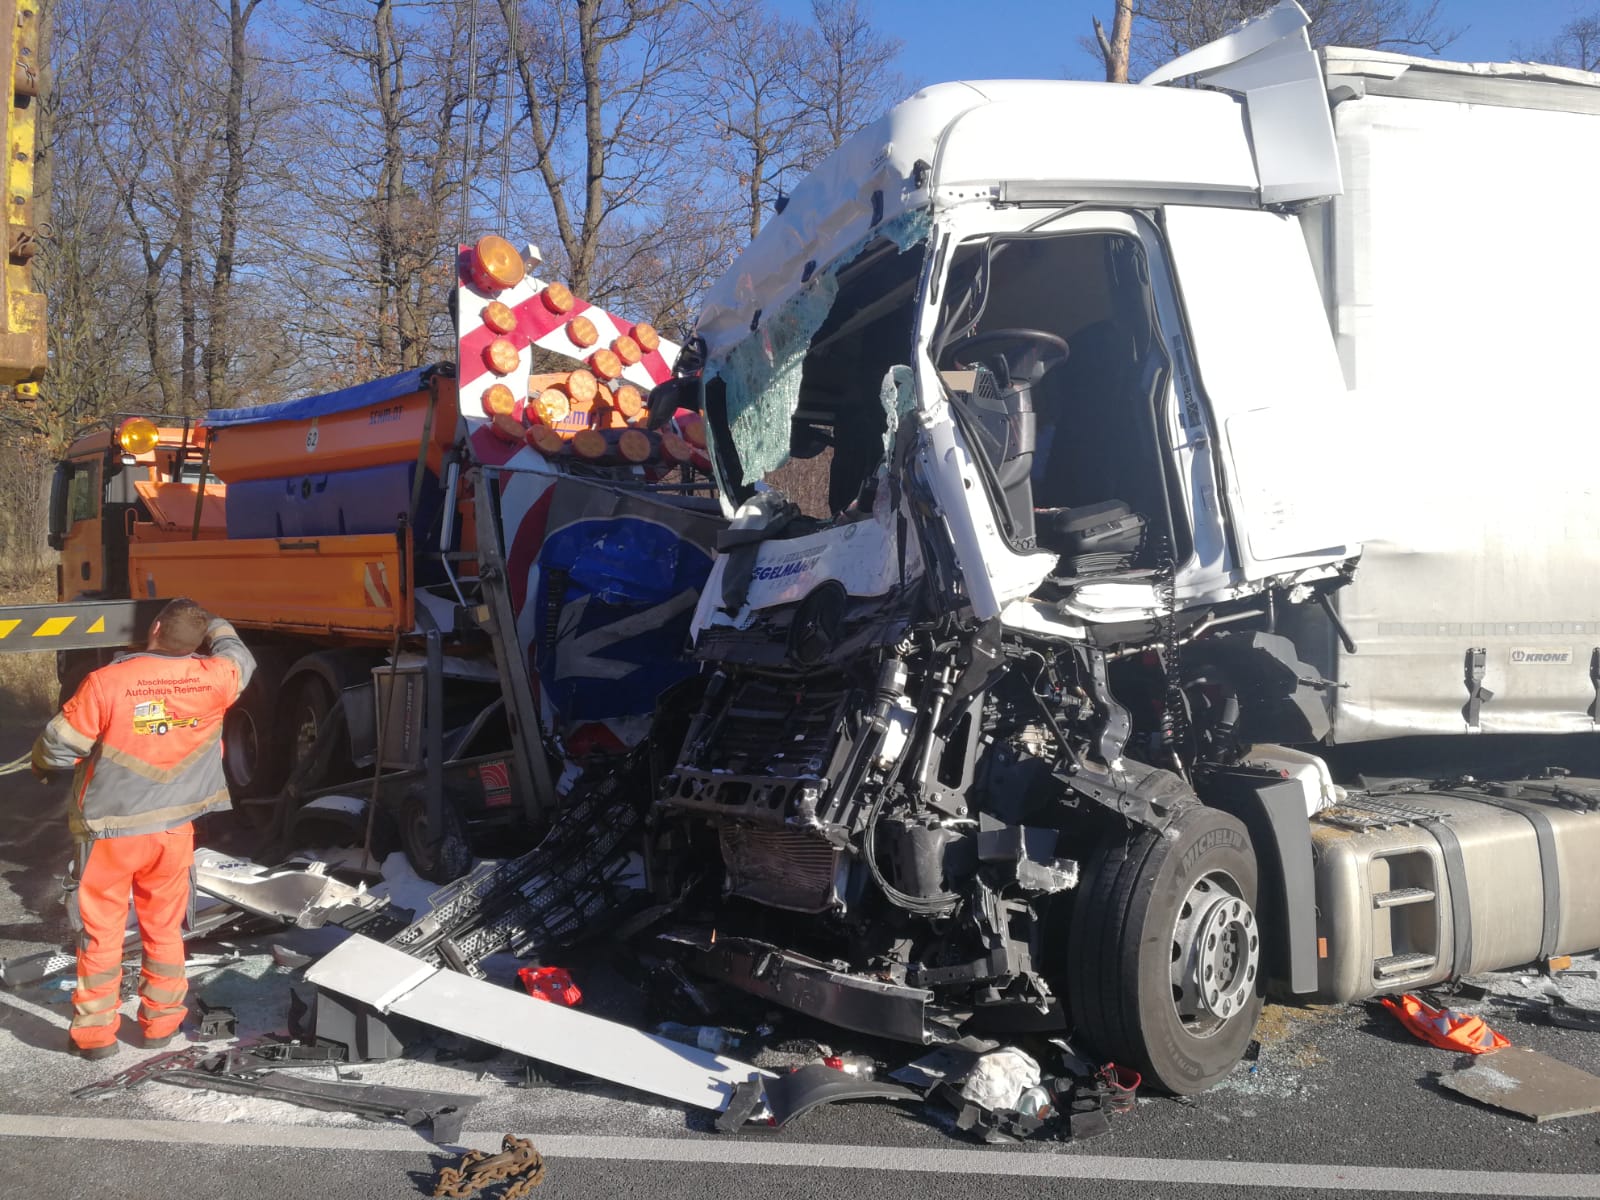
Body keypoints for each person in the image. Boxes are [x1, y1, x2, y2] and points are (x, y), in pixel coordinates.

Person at [32, 598, 255, 1060]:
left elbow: (59, 749)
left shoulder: (107, 682)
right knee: (164, 928)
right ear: (198, 641)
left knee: (102, 931)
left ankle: (94, 1036)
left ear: (153, 628)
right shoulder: (217, 677)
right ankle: (160, 1025)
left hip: (112, 833)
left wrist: (41, 762)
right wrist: (216, 621)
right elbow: (239, 654)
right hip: (175, 830)